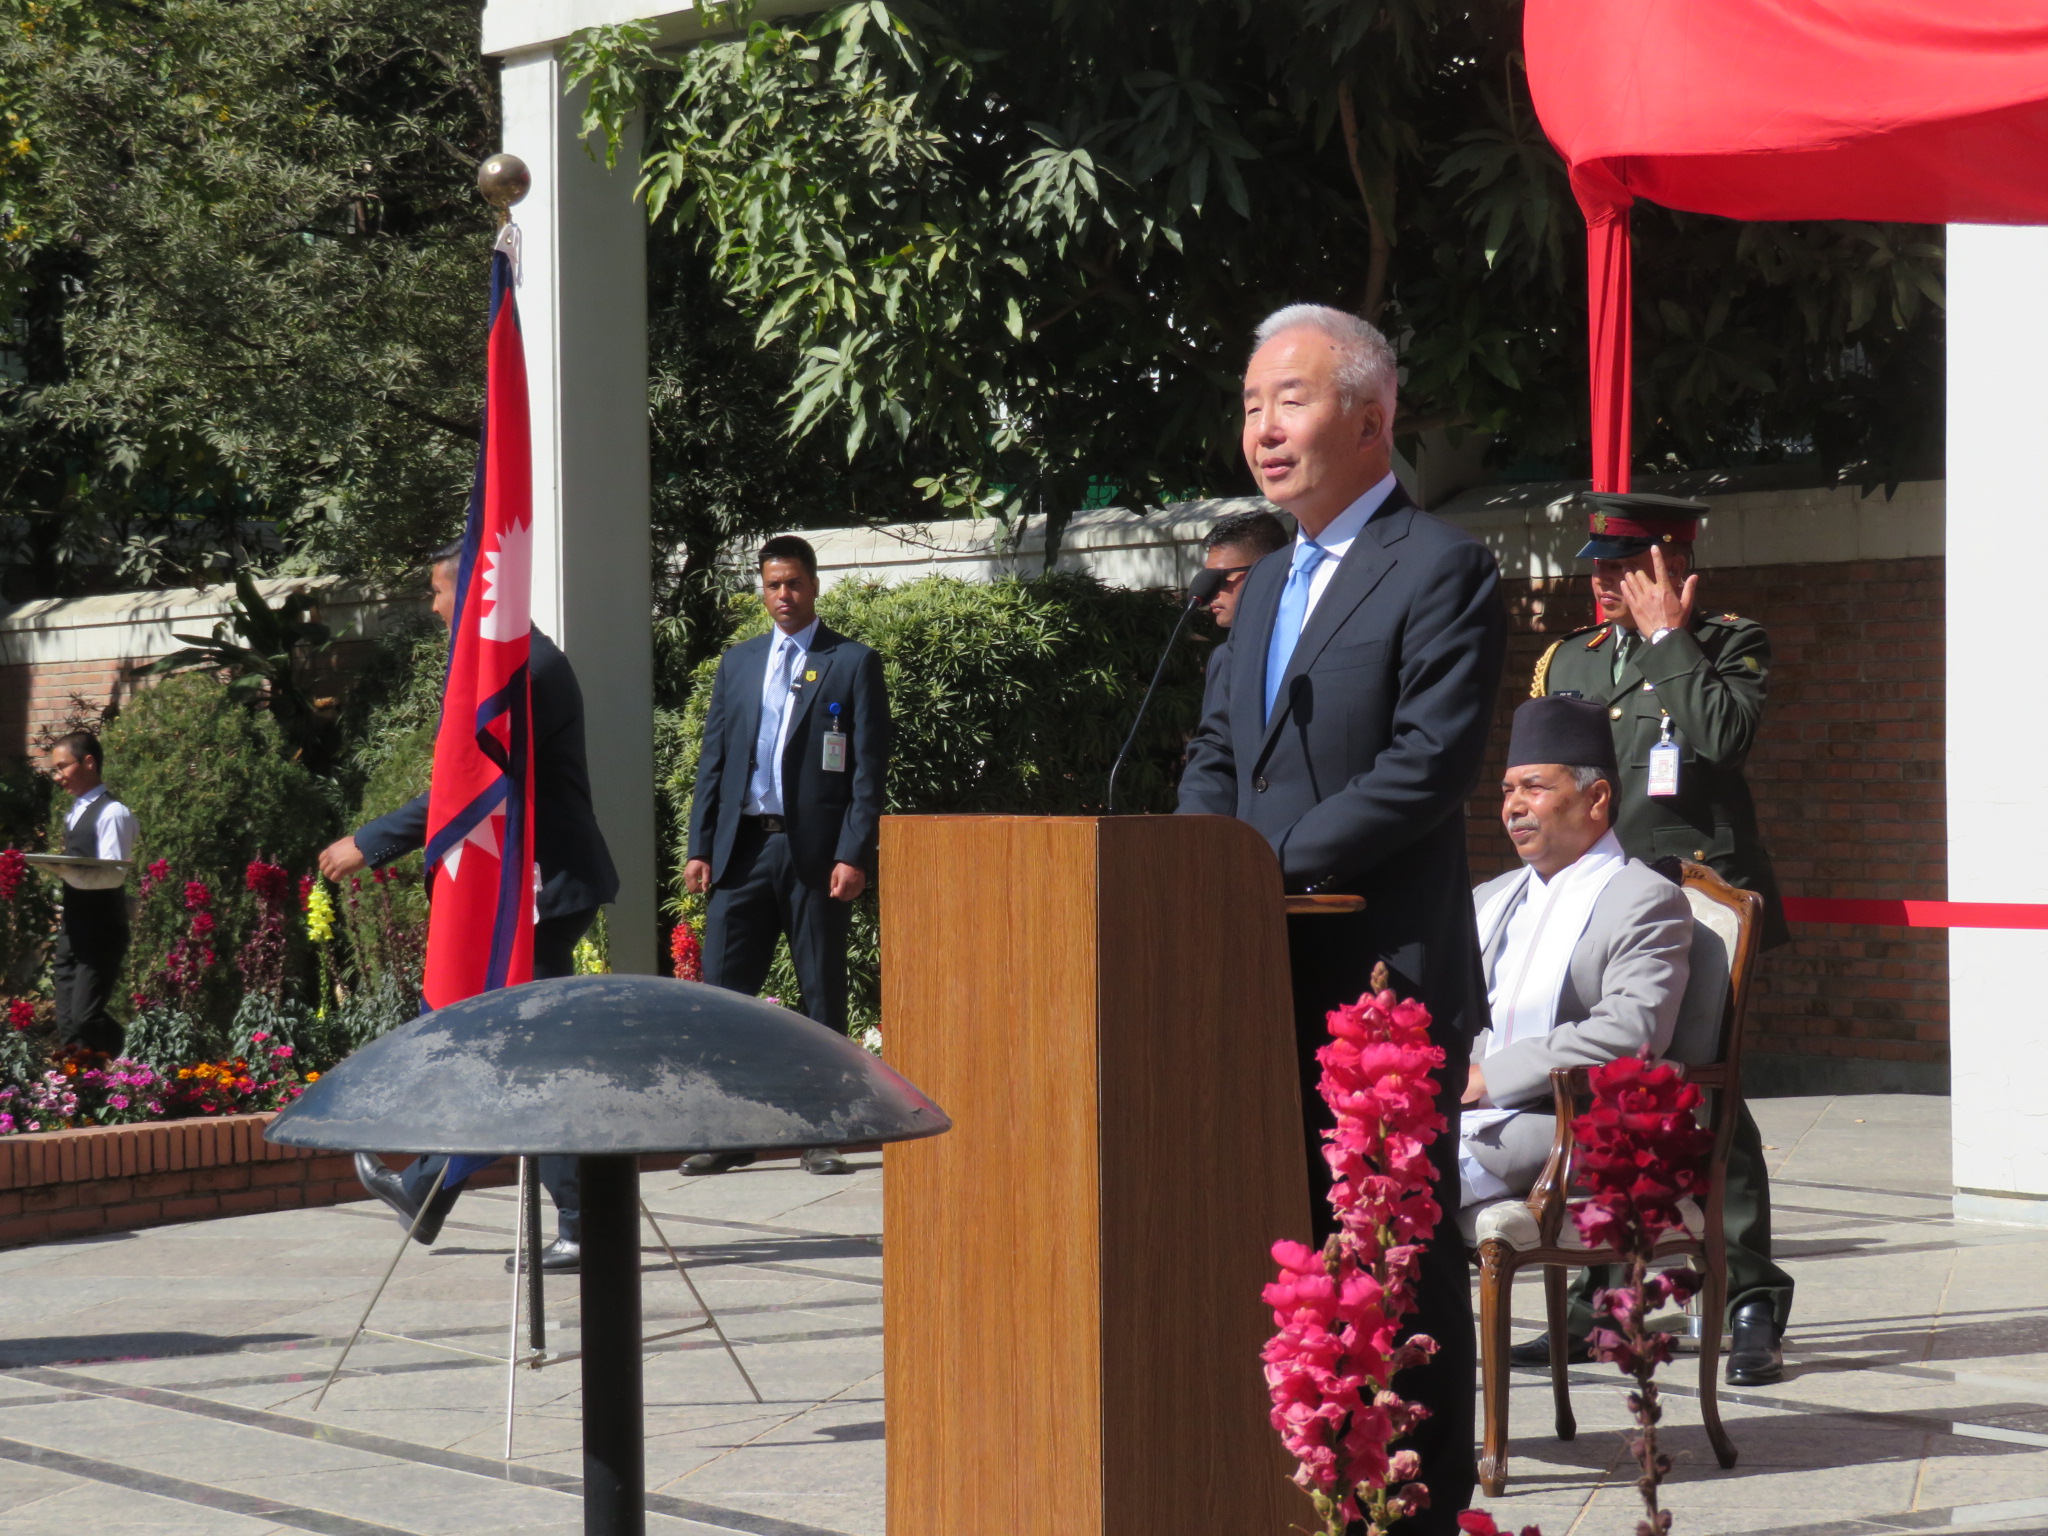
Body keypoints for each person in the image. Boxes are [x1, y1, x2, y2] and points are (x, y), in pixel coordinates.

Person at [1177, 303, 1506, 1529]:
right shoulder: (1259, 585)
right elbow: (1215, 749)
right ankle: (1307, 1482)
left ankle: (1420, 1505)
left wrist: (1252, 863)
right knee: (1290, 1243)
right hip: (1256, 964)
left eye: (1290, 400)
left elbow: (1425, 767)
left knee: (1392, 1253)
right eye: (1252, 404)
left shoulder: (1440, 567)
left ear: (1370, 419)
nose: (1262, 427)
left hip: (1383, 976)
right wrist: (1205, 866)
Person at [1527, 491, 1794, 1386]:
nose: (1604, 581)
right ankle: (1591, 1303)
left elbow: (1722, 735)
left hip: (1700, 908)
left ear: (1674, 564)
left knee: (1709, 1096)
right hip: (1600, 909)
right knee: (1594, 1089)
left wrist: (1667, 639)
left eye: (1625, 566)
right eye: (1599, 566)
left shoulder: (1727, 643)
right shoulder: (1571, 659)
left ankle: (1749, 1297)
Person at [330, 542, 619, 1273]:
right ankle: (431, 1191)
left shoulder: (531, 673)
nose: (431, 607)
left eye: (437, 591)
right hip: (531, 890)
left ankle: (574, 1222)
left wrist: (369, 841)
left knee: (535, 1058)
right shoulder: (512, 665)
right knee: (518, 1053)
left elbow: (472, 792)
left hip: (547, 891)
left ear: (475, 594)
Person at [682, 534, 890, 1177]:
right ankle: (731, 1131)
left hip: (814, 854)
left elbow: (867, 772)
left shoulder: (850, 662)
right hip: (742, 849)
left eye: (794, 583)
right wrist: (699, 847)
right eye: (772, 585)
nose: (783, 596)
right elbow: (713, 762)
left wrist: (854, 852)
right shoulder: (738, 663)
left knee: (820, 992)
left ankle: (822, 1130)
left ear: (814, 585)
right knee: (724, 994)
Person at [1460, 698, 1695, 1210]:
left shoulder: (1644, 898)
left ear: (1597, 797)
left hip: (1565, 1121)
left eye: (1535, 788)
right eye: (1507, 791)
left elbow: (1632, 1032)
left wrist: (1490, 1079)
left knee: (1398, 1188)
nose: (1513, 807)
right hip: (1461, 1111)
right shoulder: (1490, 898)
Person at [46, 731, 138, 1058]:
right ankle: (79, 1093)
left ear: (88, 762)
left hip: (102, 928)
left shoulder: (113, 813)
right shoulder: (75, 812)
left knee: (87, 1017)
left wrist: (64, 871)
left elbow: (114, 874)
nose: (58, 776)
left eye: (62, 767)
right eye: (54, 770)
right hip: (73, 928)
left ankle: (138, 1061)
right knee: (68, 1023)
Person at [1200, 508, 1291, 633]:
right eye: (1209, 578)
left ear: (1265, 571)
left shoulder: (1303, 644)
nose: (1212, 593)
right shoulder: (1225, 652)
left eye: (1221, 577)